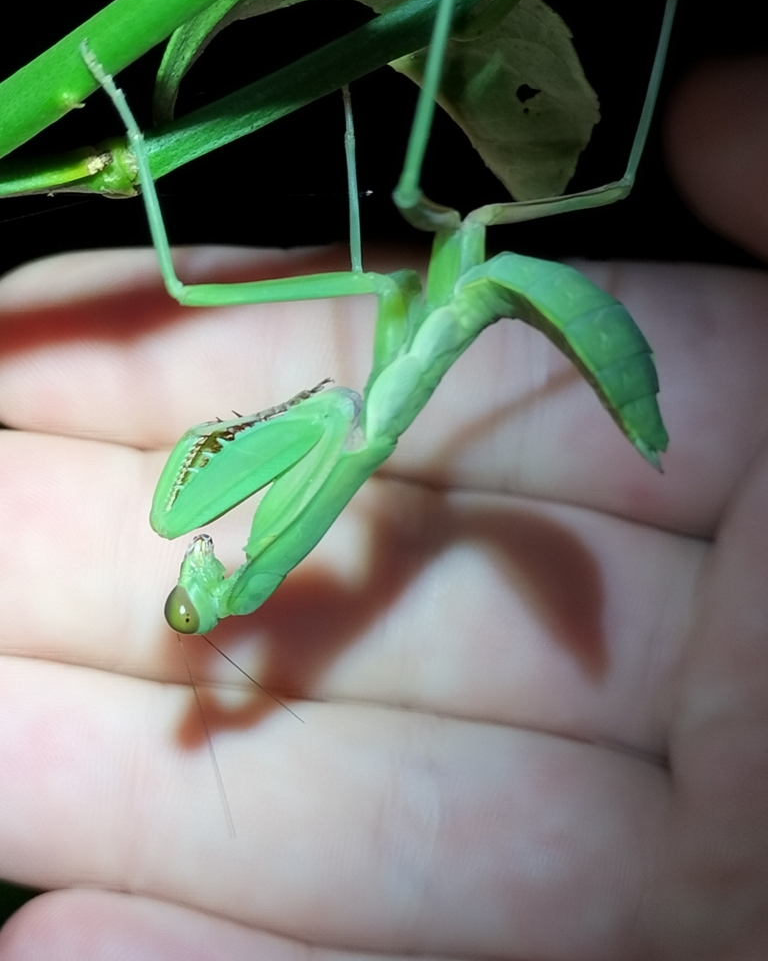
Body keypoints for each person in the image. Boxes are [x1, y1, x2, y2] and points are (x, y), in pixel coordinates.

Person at [0, 54, 766, 961]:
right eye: (189, 596)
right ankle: (268, 89)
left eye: (181, 592)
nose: (189, 568)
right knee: (397, 243)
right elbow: (325, 412)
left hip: (440, 351)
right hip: (442, 348)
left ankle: (361, 83)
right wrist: (256, 428)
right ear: (218, 605)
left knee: (410, 265)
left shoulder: (260, 570)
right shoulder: (259, 566)